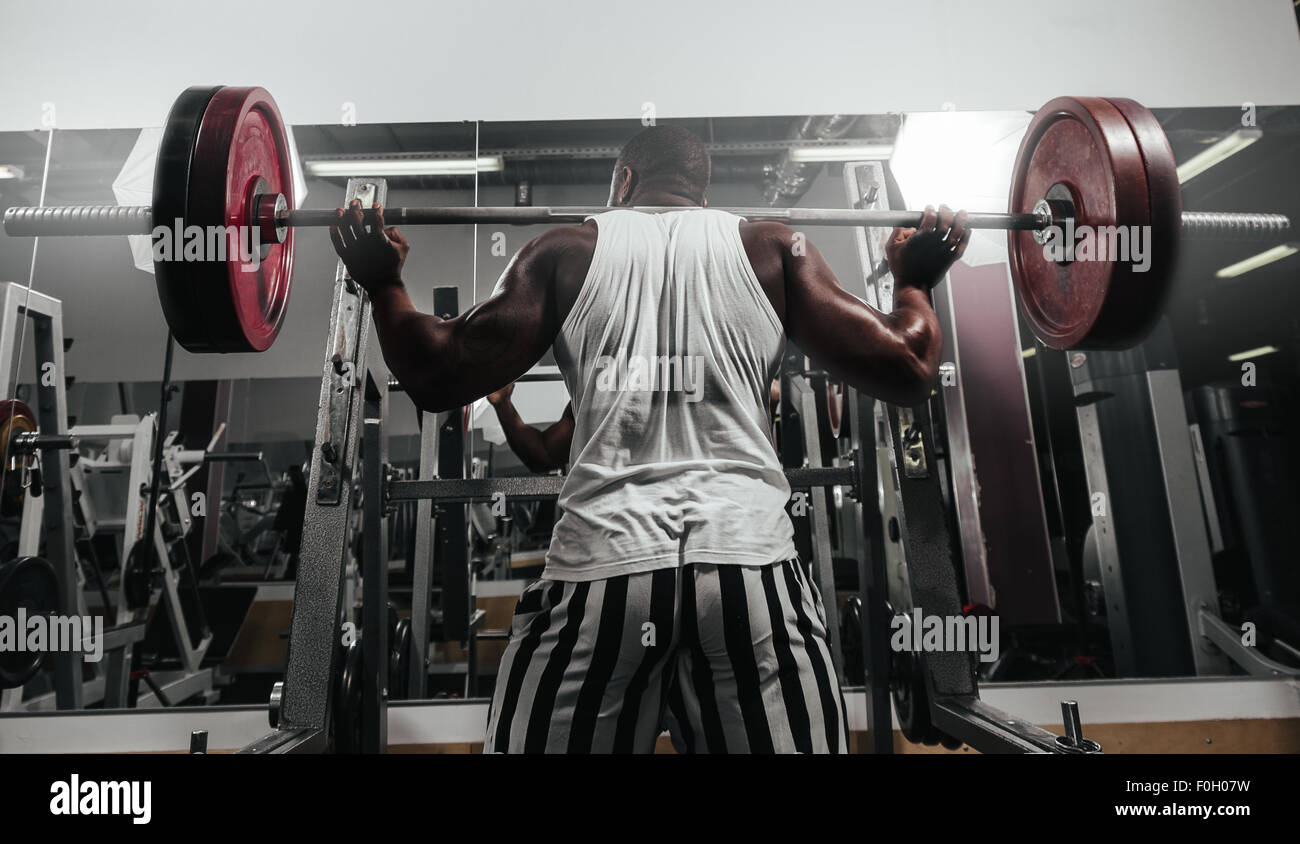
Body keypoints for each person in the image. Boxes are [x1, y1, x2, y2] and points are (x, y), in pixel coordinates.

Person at [329, 124, 968, 753]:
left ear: (624, 180)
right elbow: (910, 366)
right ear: (701, 188)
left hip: (604, 571)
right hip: (749, 572)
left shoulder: (564, 251)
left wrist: (381, 280)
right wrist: (914, 278)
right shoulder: (775, 249)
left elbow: (436, 374)